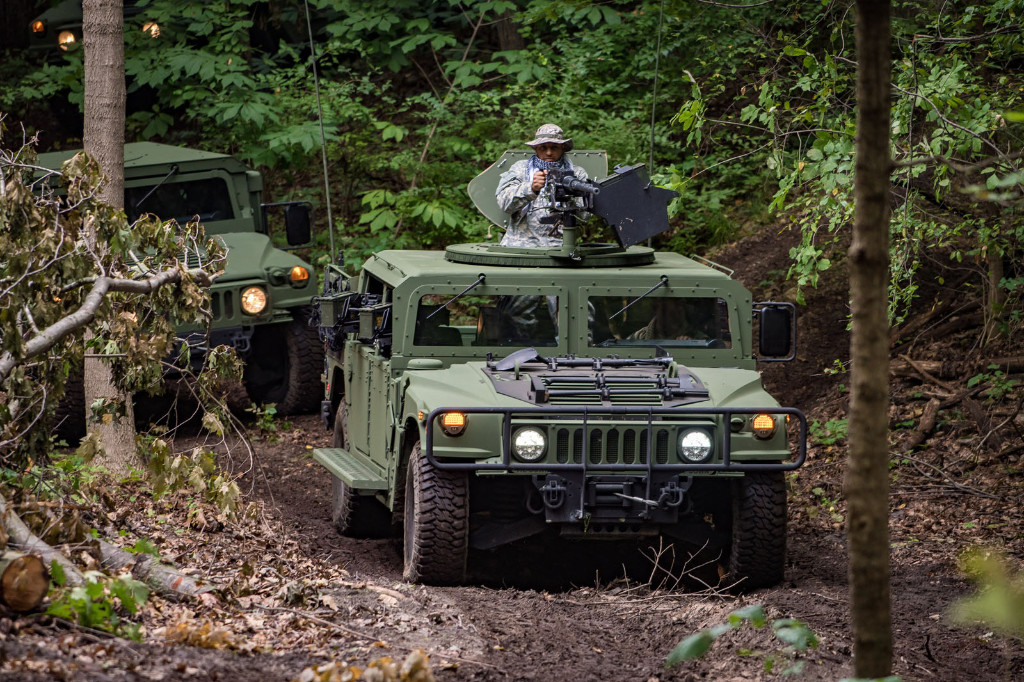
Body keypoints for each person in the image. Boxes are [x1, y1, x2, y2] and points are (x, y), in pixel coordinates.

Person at [495, 123, 591, 248]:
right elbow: (504, 204)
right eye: (543, 148)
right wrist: (530, 189)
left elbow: (585, 216)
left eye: (554, 147)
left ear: (562, 148)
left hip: (562, 246)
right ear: (535, 149)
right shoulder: (520, 169)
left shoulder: (577, 173)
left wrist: (569, 194)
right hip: (521, 245)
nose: (549, 152)